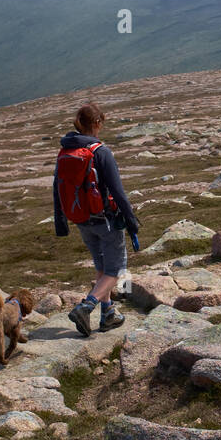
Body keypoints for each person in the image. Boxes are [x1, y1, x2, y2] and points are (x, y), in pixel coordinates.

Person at [52, 103, 139, 335]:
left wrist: (60, 221)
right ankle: (86, 306)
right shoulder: (100, 152)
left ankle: (108, 313)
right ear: (98, 123)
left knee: (101, 266)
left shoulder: (65, 151)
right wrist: (131, 220)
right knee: (117, 270)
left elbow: (57, 188)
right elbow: (117, 191)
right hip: (106, 220)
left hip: (82, 219)